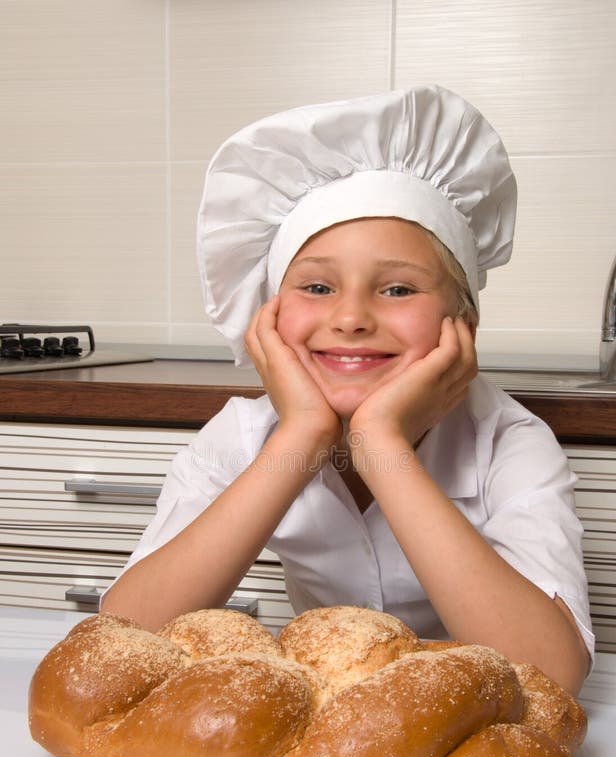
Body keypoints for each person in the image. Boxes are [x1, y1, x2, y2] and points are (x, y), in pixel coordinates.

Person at [101, 85, 593, 695]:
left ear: (462, 322)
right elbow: (123, 640)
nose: (352, 318)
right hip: (318, 706)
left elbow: (551, 672)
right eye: (315, 288)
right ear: (270, 316)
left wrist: (380, 443)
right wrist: (303, 436)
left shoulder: (510, 441)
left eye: (397, 290)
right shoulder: (242, 435)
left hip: (465, 717)